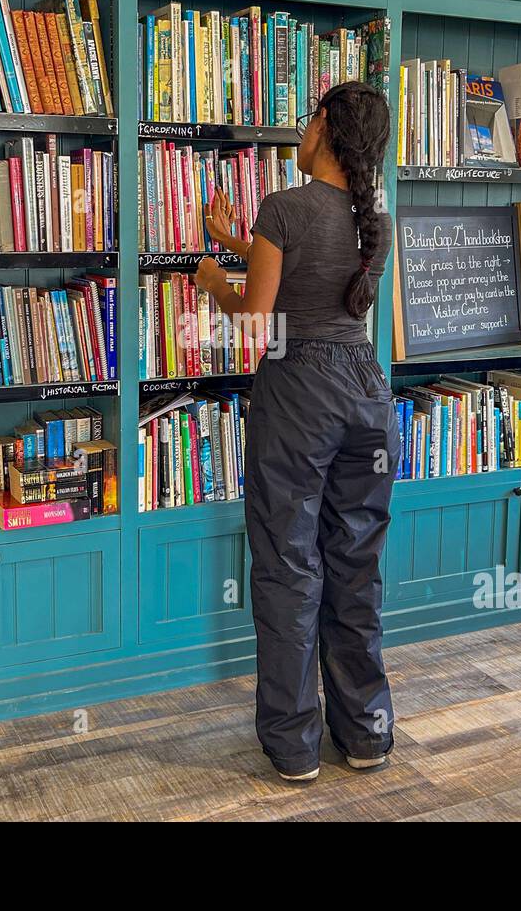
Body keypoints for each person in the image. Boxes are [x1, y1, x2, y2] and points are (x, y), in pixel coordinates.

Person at [194, 80, 398, 783]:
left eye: (307, 122)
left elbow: (258, 319)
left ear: (325, 130)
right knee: (356, 567)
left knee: (287, 568)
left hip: (299, 392)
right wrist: (242, 243)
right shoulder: (377, 220)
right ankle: (367, 734)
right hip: (368, 394)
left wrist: (213, 278)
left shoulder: (283, 207)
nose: (298, 136)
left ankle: (294, 747)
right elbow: (320, 285)